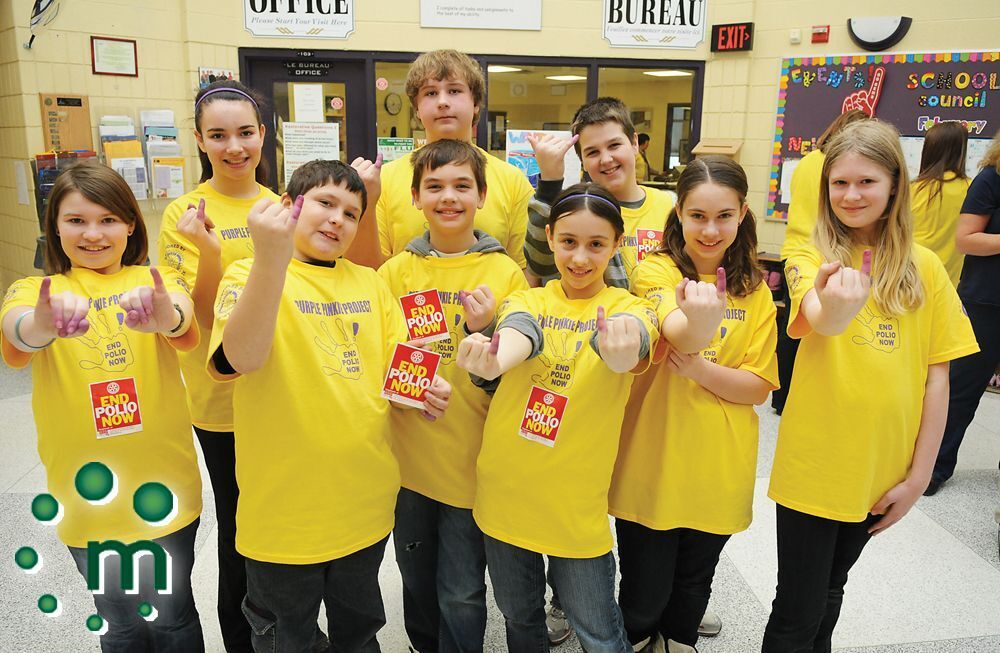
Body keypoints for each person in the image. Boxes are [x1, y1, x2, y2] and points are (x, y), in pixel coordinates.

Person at [206, 159, 451, 653]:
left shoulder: (369, 283)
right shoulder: (249, 274)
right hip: (283, 516)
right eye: (324, 203)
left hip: (363, 507)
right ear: (287, 207)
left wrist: (423, 389)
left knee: (359, 632)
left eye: (352, 212)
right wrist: (269, 258)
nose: (338, 219)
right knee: (286, 637)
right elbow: (241, 358)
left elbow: (396, 373)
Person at [763, 120, 978, 652]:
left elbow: (938, 376)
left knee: (831, 593)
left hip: (880, 472)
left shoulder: (924, 268)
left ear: (894, 188)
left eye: (866, 182)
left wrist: (918, 475)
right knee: (797, 608)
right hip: (815, 469)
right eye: (839, 183)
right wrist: (834, 304)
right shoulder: (811, 257)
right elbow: (821, 316)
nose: (851, 195)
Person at [1, 162, 204, 652]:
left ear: (131, 224)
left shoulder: (155, 282)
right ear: (54, 227)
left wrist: (166, 316)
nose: (93, 234)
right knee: (121, 624)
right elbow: (16, 331)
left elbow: (182, 322)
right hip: (86, 498)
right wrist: (42, 328)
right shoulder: (38, 291)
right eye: (76, 221)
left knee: (173, 618)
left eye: (108, 219)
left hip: (164, 490)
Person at [458, 183, 658, 653]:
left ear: (614, 245)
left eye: (596, 245)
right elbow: (520, 335)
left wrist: (621, 350)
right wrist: (494, 359)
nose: (581, 259)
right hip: (506, 491)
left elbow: (627, 342)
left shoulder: (629, 310)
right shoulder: (528, 301)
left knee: (599, 629)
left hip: (575, 503)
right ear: (549, 237)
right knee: (520, 617)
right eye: (569, 242)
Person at [610, 156, 778, 653]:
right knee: (643, 590)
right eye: (698, 215)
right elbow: (670, 325)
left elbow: (758, 387)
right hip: (652, 461)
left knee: (692, 586)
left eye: (724, 216)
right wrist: (697, 328)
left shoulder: (754, 291)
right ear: (678, 212)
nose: (710, 229)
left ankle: (679, 640)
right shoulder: (655, 270)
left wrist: (701, 369)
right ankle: (639, 638)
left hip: (717, 465)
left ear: (743, 213)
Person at [378, 139, 528, 652]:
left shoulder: (505, 273)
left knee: (462, 589)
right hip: (408, 460)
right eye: (434, 186)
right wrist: (410, 386)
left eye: (463, 186)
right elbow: (375, 354)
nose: (449, 197)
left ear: (482, 195)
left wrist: (485, 329)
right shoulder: (394, 273)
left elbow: (520, 370)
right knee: (415, 575)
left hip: (474, 459)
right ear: (415, 197)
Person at [156, 80, 278, 653]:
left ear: (264, 134)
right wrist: (207, 253)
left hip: (280, 392)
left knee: (282, 516)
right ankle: (243, 638)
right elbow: (193, 321)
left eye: (246, 133)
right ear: (200, 140)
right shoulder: (185, 213)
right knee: (239, 528)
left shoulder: (279, 205)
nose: (235, 146)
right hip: (221, 402)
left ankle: (286, 621)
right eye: (219, 135)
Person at [375, 49, 534, 269]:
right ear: (417, 109)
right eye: (430, 93)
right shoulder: (384, 180)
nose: (442, 102)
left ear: (476, 103)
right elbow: (371, 273)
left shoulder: (513, 181)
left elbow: (525, 274)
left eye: (454, 91)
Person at [772, 109, 869, 415]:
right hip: (823, 251)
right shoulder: (832, 164)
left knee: (793, 324)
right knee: (816, 329)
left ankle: (781, 396)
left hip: (794, 248)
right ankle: (803, 397)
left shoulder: (806, 161)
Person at [526, 99, 675, 290]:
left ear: (634, 143)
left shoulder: (671, 205)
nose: (606, 159)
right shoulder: (574, 209)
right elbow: (540, 265)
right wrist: (549, 182)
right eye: (592, 152)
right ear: (582, 161)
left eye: (614, 145)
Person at [926, 131, 1000, 495]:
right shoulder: (990, 178)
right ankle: (934, 466)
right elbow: (966, 238)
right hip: (986, 302)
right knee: (960, 390)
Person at [910, 121, 971, 288]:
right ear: (960, 152)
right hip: (948, 281)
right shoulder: (971, 189)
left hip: (910, 272)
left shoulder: (911, 189)